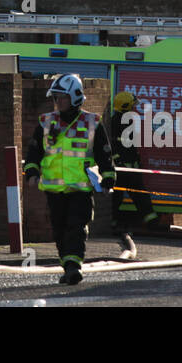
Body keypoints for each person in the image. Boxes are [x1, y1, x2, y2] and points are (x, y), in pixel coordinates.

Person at [22, 74, 117, 285]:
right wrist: (31, 173)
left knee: (76, 226)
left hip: (81, 189)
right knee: (59, 229)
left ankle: (74, 266)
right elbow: (33, 152)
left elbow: (104, 153)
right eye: (56, 98)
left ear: (75, 97)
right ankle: (68, 266)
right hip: (54, 190)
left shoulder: (92, 123)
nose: (58, 102)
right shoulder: (46, 123)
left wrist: (108, 177)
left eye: (62, 98)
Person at [107, 90, 159, 234]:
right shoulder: (115, 122)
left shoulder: (127, 120)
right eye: (131, 106)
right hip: (121, 170)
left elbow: (130, 145)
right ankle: (111, 224)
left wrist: (137, 161)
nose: (134, 108)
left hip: (130, 170)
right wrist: (119, 162)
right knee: (116, 199)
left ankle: (152, 222)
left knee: (140, 196)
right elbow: (111, 146)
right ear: (125, 106)